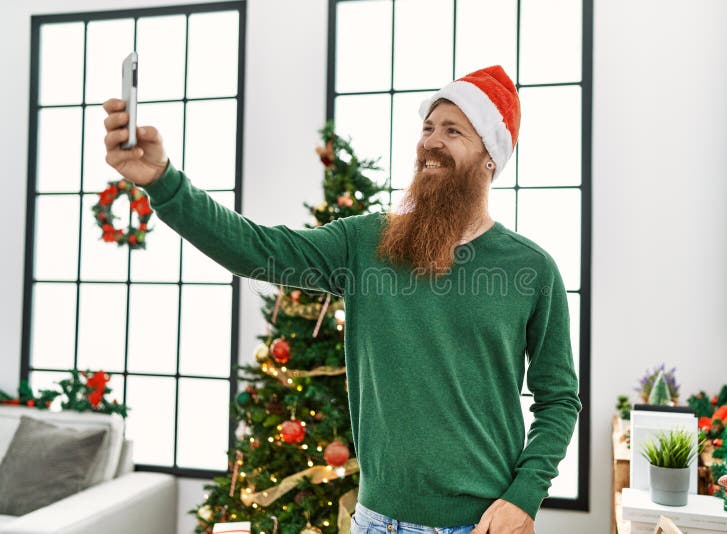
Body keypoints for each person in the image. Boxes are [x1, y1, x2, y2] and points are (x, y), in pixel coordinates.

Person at [102, 65, 581, 534]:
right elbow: (257, 250)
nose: (430, 141)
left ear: (489, 158)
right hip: (376, 522)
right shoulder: (367, 242)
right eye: (428, 126)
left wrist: (524, 496)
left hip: (479, 525)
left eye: (453, 131)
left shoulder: (531, 270)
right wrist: (162, 181)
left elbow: (559, 398)